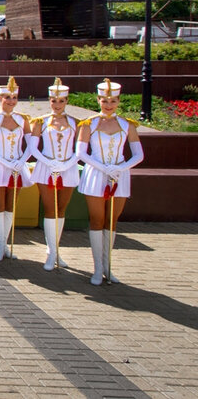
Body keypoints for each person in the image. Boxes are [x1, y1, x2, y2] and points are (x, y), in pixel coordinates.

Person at [76, 79, 143, 286]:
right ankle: (97, 269)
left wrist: (119, 168)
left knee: (111, 221)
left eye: (113, 101)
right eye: (105, 100)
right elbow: (80, 153)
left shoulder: (127, 124)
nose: (108, 105)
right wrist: (103, 168)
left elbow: (138, 155)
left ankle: (108, 267)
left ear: (118, 101)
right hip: (96, 174)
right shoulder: (89, 124)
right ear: (98, 100)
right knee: (97, 220)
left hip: (119, 176)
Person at [27, 78, 79, 271]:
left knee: (61, 210)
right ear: (49, 101)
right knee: (50, 209)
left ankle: (56, 250)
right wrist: (50, 163)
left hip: (68, 169)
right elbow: (33, 148)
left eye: (61, 101)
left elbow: (79, 149)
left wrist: (66, 164)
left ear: (67, 101)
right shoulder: (41, 122)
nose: (57, 105)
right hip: (46, 168)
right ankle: (50, 252)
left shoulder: (75, 123)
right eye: (53, 101)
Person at [0, 77, 33, 262]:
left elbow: (31, 145)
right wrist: (4, 161)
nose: (10, 101)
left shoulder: (23, 120)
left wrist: (21, 161)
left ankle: (5, 243)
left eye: (13, 97)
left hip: (17, 167)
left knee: (11, 206)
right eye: (6, 97)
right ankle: (0, 245)